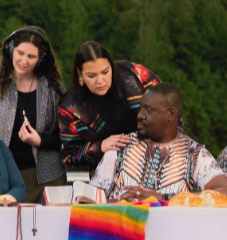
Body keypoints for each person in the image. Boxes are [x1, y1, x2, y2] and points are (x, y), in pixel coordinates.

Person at [90, 83, 227, 204]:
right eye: (140, 108)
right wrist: (121, 203)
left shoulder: (194, 153)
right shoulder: (119, 146)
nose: (140, 115)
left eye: (148, 110)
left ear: (171, 114)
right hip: (120, 234)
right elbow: (88, 201)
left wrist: (163, 198)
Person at [0, 26, 66, 203]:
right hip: (5, 177)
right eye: (20, 53)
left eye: (31, 56)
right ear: (11, 50)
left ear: (41, 59)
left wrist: (40, 141)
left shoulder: (52, 86)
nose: (24, 60)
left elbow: (67, 135)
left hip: (49, 179)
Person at [58, 41, 163, 170]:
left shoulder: (136, 74)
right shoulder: (69, 108)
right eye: (91, 75)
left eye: (105, 72)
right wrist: (100, 146)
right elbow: (69, 156)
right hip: (108, 177)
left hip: (157, 164)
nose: (100, 81)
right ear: (80, 74)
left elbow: (170, 110)